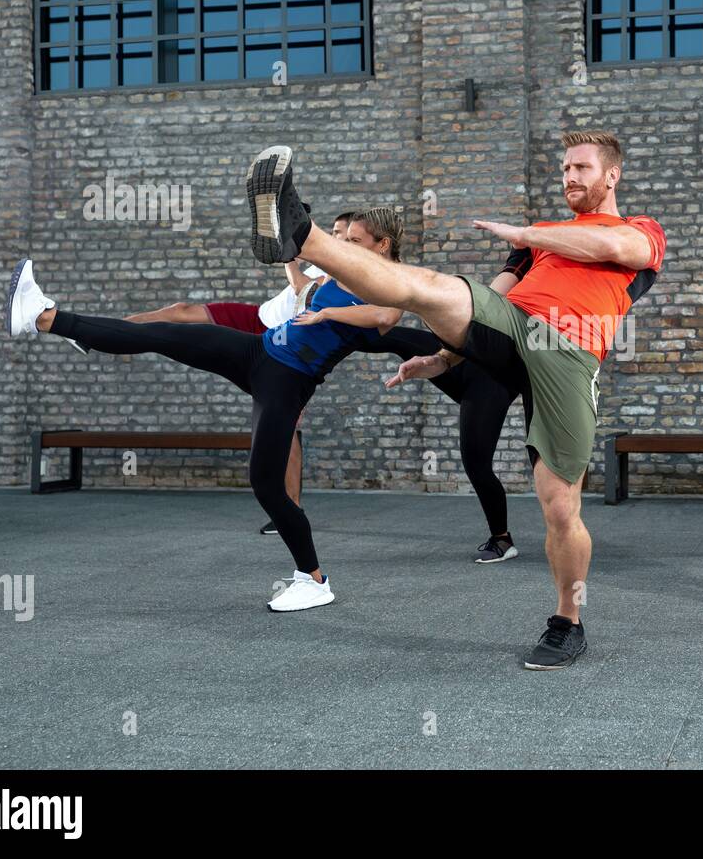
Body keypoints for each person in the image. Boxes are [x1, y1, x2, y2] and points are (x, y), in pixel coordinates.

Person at [243, 132, 665, 670]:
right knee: (429, 287)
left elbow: (615, 250)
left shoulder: (640, 230)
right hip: (513, 323)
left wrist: (527, 232)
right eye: (564, 169)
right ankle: (301, 235)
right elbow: (498, 292)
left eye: (581, 167)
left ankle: (568, 622)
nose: (569, 177)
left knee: (560, 506)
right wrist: (447, 355)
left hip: (569, 350)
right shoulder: (537, 242)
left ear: (612, 175)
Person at [5, 207, 408, 613]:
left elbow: (385, 315)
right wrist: (291, 247)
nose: (344, 245)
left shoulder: (393, 285)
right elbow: (304, 285)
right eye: (344, 239)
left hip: (288, 381)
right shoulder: (339, 272)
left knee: (265, 484)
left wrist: (327, 312)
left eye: (354, 240)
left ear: (383, 244)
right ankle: (44, 317)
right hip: (259, 352)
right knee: (162, 333)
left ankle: (314, 581)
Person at [110, 208, 343, 535]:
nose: (337, 237)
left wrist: (289, 256)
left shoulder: (343, 273)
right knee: (181, 311)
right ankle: (102, 331)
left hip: (282, 343)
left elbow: (301, 289)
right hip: (258, 317)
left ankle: (291, 510)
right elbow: (300, 246)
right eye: (336, 231)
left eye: (345, 234)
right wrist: (290, 229)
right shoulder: (324, 257)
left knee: (286, 427)